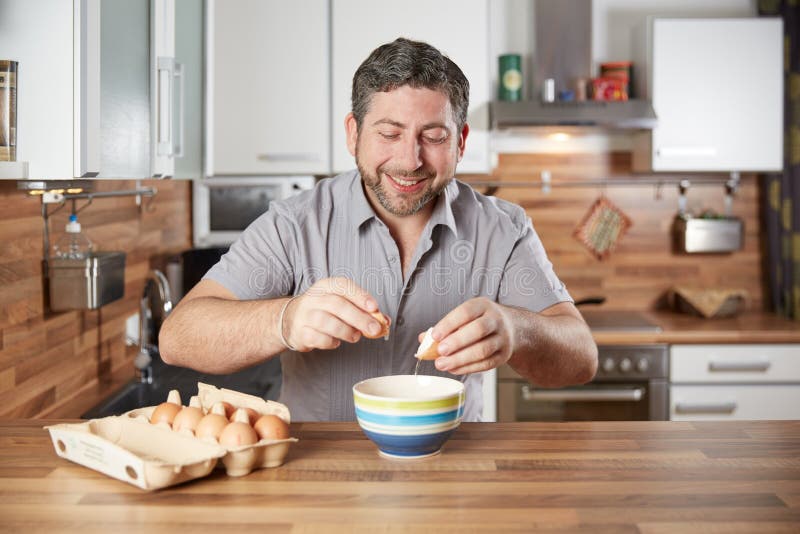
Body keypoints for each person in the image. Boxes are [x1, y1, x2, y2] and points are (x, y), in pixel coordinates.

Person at [159, 37, 597, 421]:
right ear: (354, 134)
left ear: (461, 141)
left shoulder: (503, 229)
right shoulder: (295, 225)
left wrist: (518, 330)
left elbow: (582, 358)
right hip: (321, 482)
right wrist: (285, 320)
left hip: (455, 479)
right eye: (389, 133)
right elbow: (179, 337)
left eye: (434, 136)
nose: (410, 160)